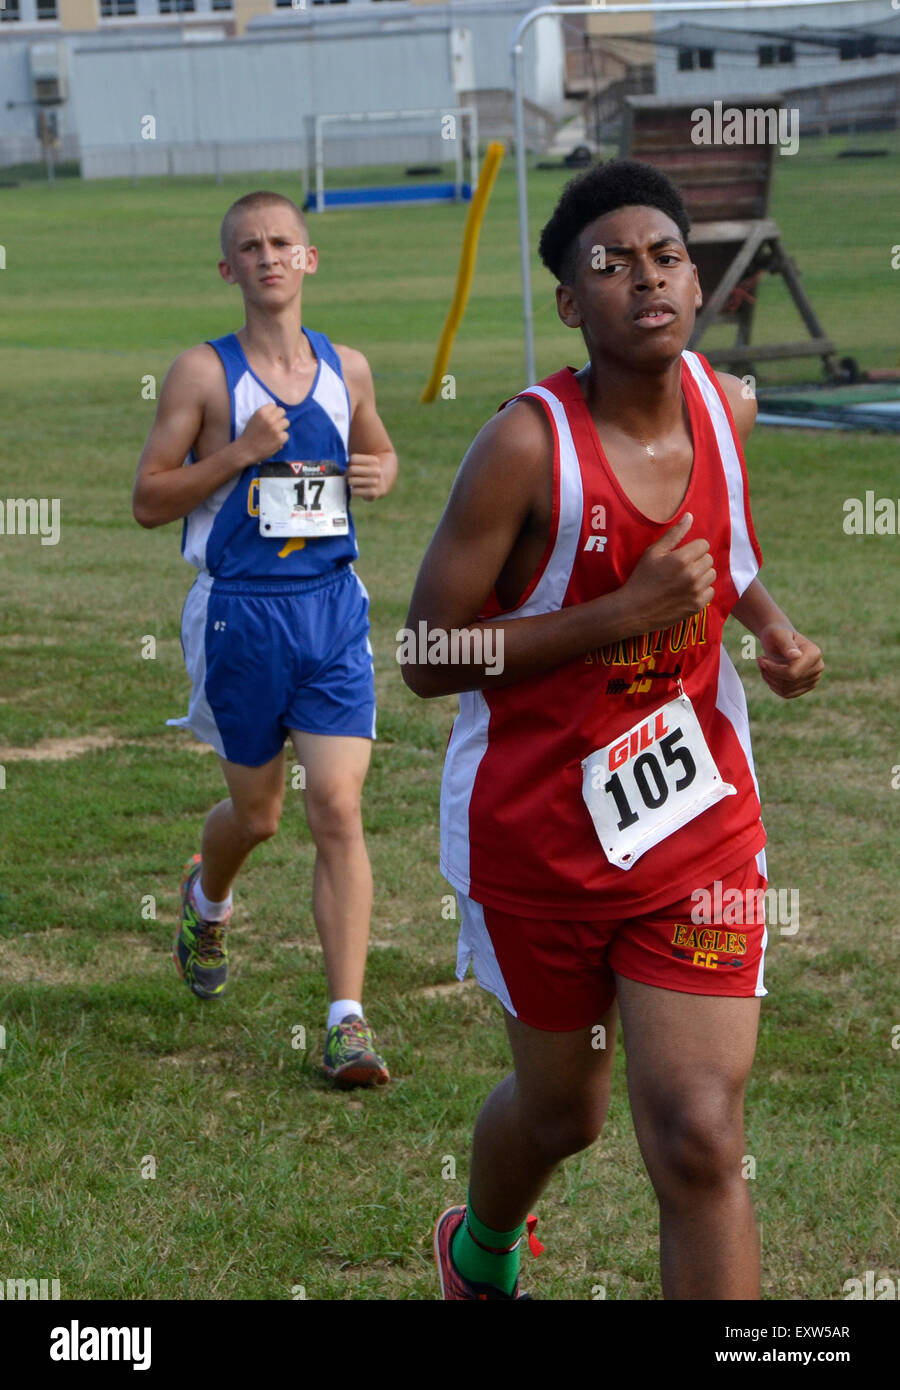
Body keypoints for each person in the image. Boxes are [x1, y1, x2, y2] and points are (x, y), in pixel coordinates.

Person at [401, 160, 823, 1298]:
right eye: (612, 263)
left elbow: (718, 550)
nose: (646, 276)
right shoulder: (524, 449)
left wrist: (771, 629)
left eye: (667, 255)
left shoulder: (727, 408)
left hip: (697, 826)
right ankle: (479, 1249)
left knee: (696, 1132)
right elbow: (427, 657)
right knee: (561, 1114)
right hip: (537, 838)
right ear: (571, 304)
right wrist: (617, 617)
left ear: (698, 281)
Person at [133, 190, 397, 1089]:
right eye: (250, 247)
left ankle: (346, 1022)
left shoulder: (347, 367)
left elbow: (382, 451)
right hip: (240, 616)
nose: (269, 257)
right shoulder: (202, 376)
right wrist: (238, 453)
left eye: (283, 242)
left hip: (330, 609)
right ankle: (207, 899)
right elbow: (148, 500)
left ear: (309, 258)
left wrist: (381, 469)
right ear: (229, 270)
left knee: (335, 805)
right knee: (259, 816)